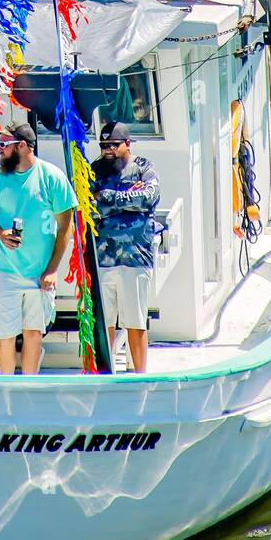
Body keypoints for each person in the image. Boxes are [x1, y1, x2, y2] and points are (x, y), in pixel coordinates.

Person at [0, 123, 76, 375]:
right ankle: (7, 393)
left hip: (39, 273)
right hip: (5, 271)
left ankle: (28, 389)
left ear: (21, 146)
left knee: (33, 333)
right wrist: (0, 233)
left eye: (3, 145)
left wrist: (52, 270)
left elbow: (66, 226)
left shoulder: (52, 177)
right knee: (5, 336)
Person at [92, 121, 160, 373]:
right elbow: (90, 206)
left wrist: (107, 197)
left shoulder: (144, 168)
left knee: (136, 321)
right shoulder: (95, 169)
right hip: (103, 257)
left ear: (127, 144)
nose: (108, 150)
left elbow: (148, 198)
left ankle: (140, 375)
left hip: (135, 257)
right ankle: (105, 375)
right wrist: (127, 196)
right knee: (105, 322)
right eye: (103, 145)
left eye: (113, 145)